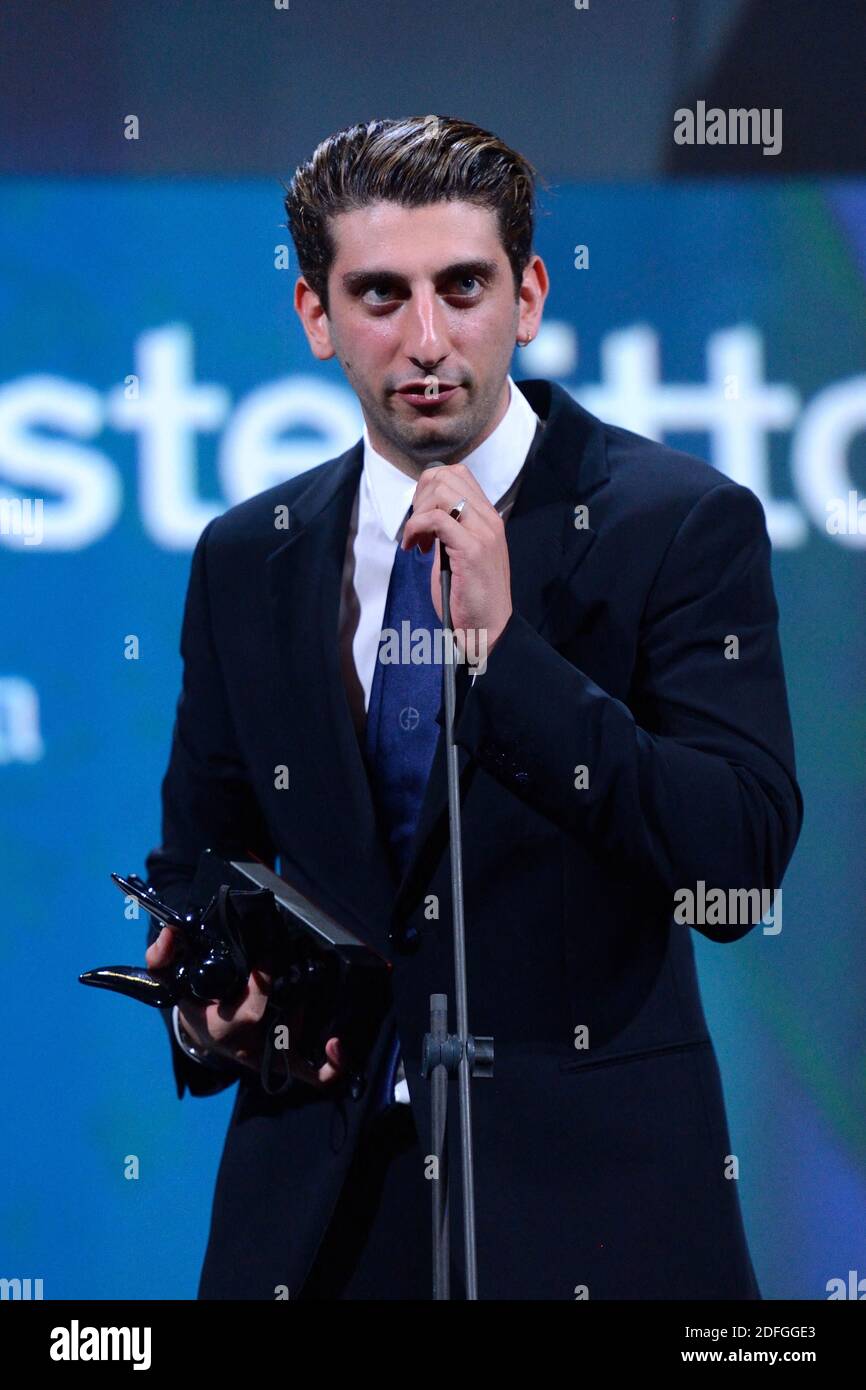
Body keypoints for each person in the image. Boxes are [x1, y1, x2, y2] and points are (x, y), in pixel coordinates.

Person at [143, 115, 803, 1300]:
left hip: (597, 1218)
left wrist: (507, 657)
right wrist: (207, 1011)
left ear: (529, 293)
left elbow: (739, 865)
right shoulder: (248, 556)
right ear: (316, 316)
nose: (428, 339)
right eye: (381, 295)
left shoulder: (675, 525)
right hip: (319, 1221)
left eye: (463, 285)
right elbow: (204, 859)